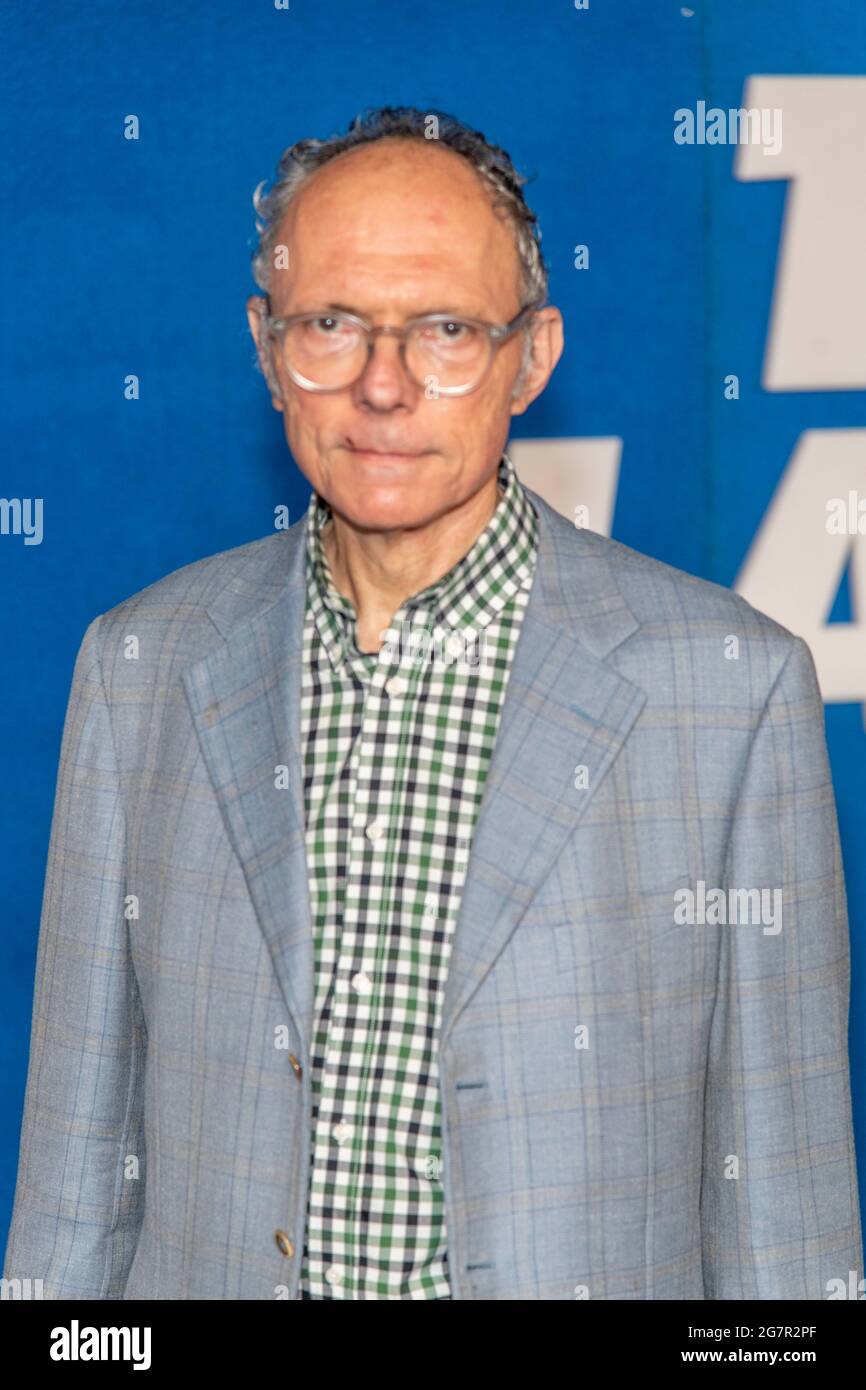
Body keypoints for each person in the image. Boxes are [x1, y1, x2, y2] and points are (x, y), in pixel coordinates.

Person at [4, 106, 862, 1300]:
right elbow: (73, 1178)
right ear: (266, 345)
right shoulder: (138, 666)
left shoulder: (728, 693)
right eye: (333, 326)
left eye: (447, 330)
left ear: (533, 354)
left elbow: (782, 1209)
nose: (384, 385)